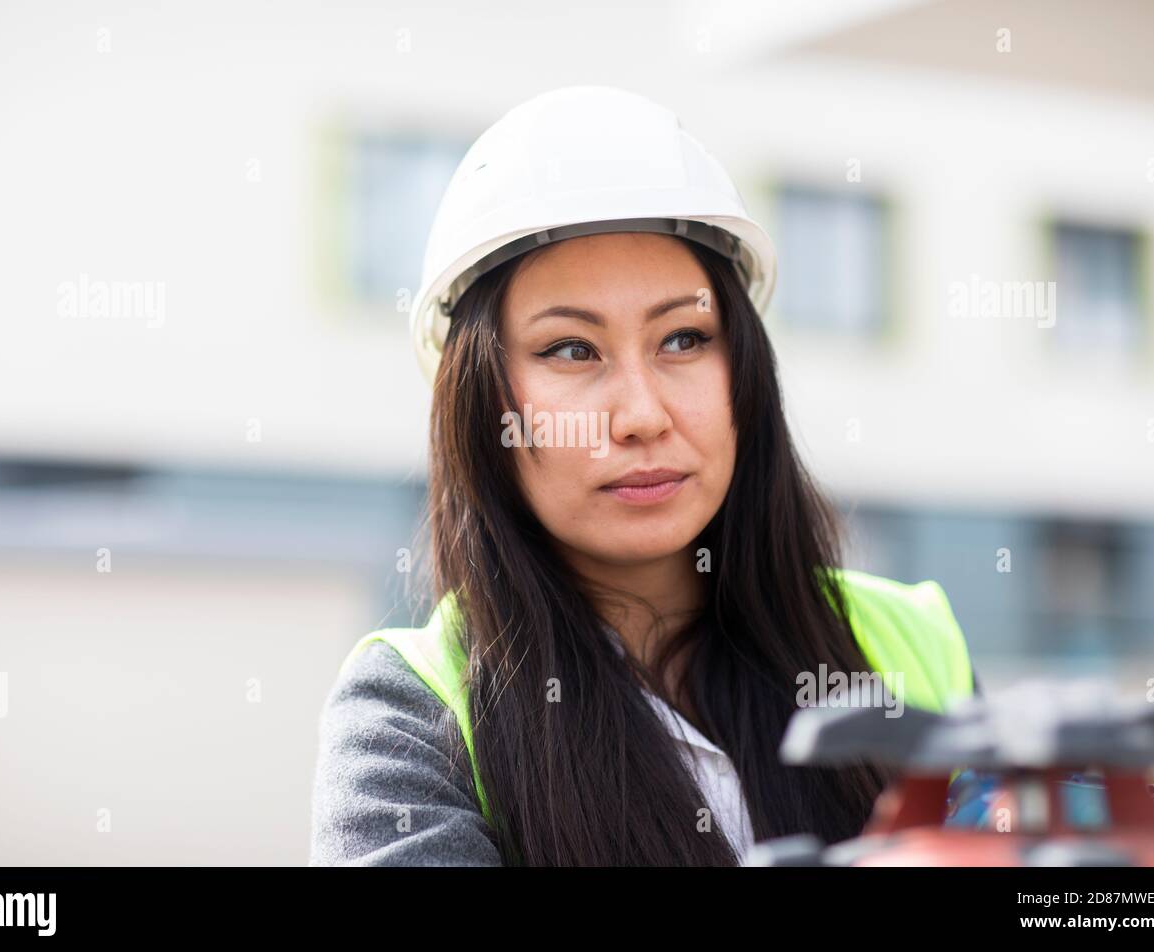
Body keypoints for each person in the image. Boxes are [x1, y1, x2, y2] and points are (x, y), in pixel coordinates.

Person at [309, 86, 977, 867]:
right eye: (570, 350)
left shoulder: (910, 638)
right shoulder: (410, 717)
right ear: (483, 406)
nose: (641, 415)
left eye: (685, 339)